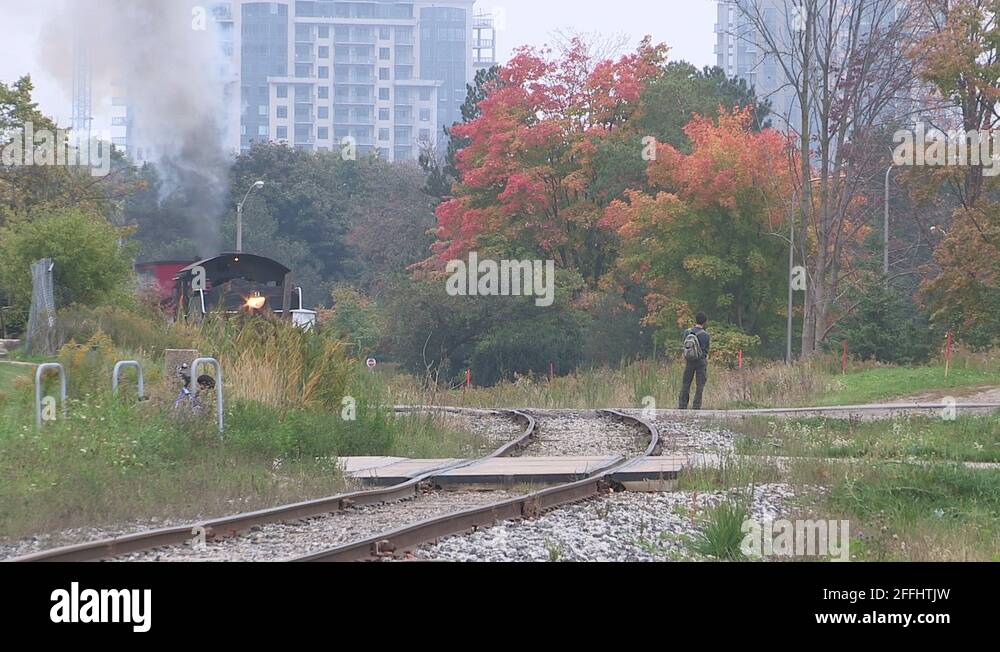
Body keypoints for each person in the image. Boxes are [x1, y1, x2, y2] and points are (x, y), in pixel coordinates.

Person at [678, 312, 710, 410]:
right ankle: (696, 406)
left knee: (686, 383)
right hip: (701, 361)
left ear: (695, 320)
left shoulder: (687, 332)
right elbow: (706, 350)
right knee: (700, 385)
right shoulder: (706, 335)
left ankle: (682, 405)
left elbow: (684, 345)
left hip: (689, 361)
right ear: (704, 322)